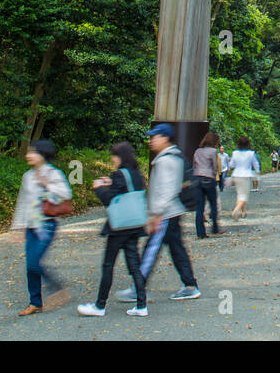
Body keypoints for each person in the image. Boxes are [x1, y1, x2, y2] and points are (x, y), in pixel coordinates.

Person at [79, 142, 148, 317]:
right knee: (135, 265)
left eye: (114, 156)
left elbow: (109, 199)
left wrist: (99, 189)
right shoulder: (137, 174)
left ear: (119, 157)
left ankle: (99, 305)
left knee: (108, 264)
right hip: (135, 225)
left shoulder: (119, 174)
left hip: (119, 227)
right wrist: (112, 183)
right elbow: (127, 190)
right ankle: (141, 305)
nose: (112, 159)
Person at [136, 123, 200, 301]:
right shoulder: (173, 156)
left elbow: (167, 189)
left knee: (151, 249)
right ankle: (190, 285)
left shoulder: (167, 160)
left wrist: (156, 214)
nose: (151, 141)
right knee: (176, 248)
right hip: (173, 211)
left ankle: (138, 286)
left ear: (164, 138)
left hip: (165, 213)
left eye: (154, 137)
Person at [12, 139, 72, 316]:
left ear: (42, 155)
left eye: (32, 152)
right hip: (31, 226)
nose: (28, 155)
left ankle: (56, 286)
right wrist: (18, 226)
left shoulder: (54, 173)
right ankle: (35, 302)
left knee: (34, 262)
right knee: (29, 266)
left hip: (46, 225)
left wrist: (47, 185)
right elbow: (22, 201)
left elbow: (66, 193)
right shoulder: (27, 176)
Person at [193, 132, 222, 238]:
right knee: (213, 204)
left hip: (197, 178)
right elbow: (215, 166)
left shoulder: (197, 151)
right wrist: (214, 176)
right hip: (209, 178)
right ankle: (214, 227)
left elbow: (194, 164)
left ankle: (200, 232)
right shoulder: (213, 151)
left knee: (199, 207)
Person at [228, 136, 260, 221]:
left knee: (239, 195)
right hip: (245, 176)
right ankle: (236, 211)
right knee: (244, 196)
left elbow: (231, 165)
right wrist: (257, 172)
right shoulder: (251, 153)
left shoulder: (235, 153)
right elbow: (255, 164)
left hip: (236, 175)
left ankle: (243, 212)